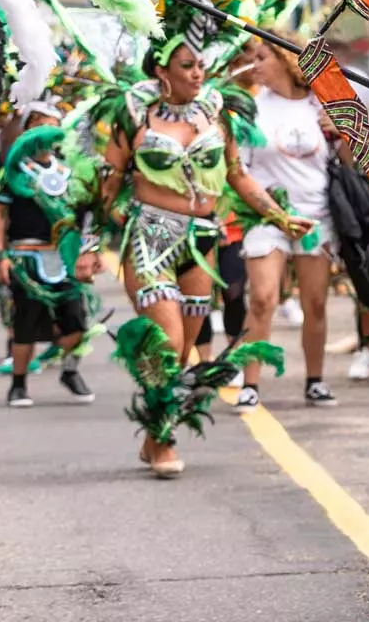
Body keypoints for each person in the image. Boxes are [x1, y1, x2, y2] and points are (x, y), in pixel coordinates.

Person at [98, 36, 294, 477]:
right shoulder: (133, 114)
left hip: (202, 242)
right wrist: (94, 240)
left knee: (185, 349)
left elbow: (238, 176)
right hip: (150, 238)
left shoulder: (215, 111)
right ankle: (165, 441)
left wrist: (280, 217)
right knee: (165, 344)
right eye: (186, 65)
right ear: (161, 72)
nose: (197, 72)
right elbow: (108, 183)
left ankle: (153, 434)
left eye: (200, 64)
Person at [234, 39, 340, 412]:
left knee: (316, 303)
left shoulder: (321, 104)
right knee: (262, 298)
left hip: (316, 217)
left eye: (262, 57)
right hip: (268, 217)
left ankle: (315, 381)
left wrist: (340, 133)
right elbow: (239, 170)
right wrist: (270, 211)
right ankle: (249, 384)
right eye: (251, 58)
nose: (254, 65)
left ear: (286, 60)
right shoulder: (251, 108)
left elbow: (350, 164)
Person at [0, 127, 96, 408]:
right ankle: (18, 384)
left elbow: (86, 215)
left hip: (63, 256)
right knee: (25, 324)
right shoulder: (15, 173)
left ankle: (70, 370)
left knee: (77, 322)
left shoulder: (68, 173)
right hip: (26, 256)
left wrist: (88, 251)